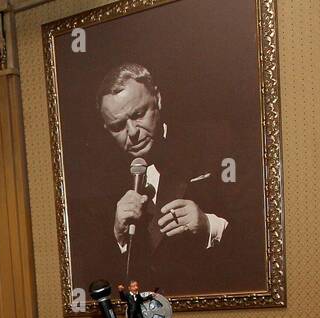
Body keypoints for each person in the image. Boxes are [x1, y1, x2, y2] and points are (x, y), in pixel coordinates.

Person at [84, 63, 244, 292]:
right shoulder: (99, 180)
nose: (132, 132)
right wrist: (118, 236)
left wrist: (209, 225)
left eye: (138, 115)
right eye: (117, 126)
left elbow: (258, 233)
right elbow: (95, 280)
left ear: (158, 99)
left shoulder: (216, 142)